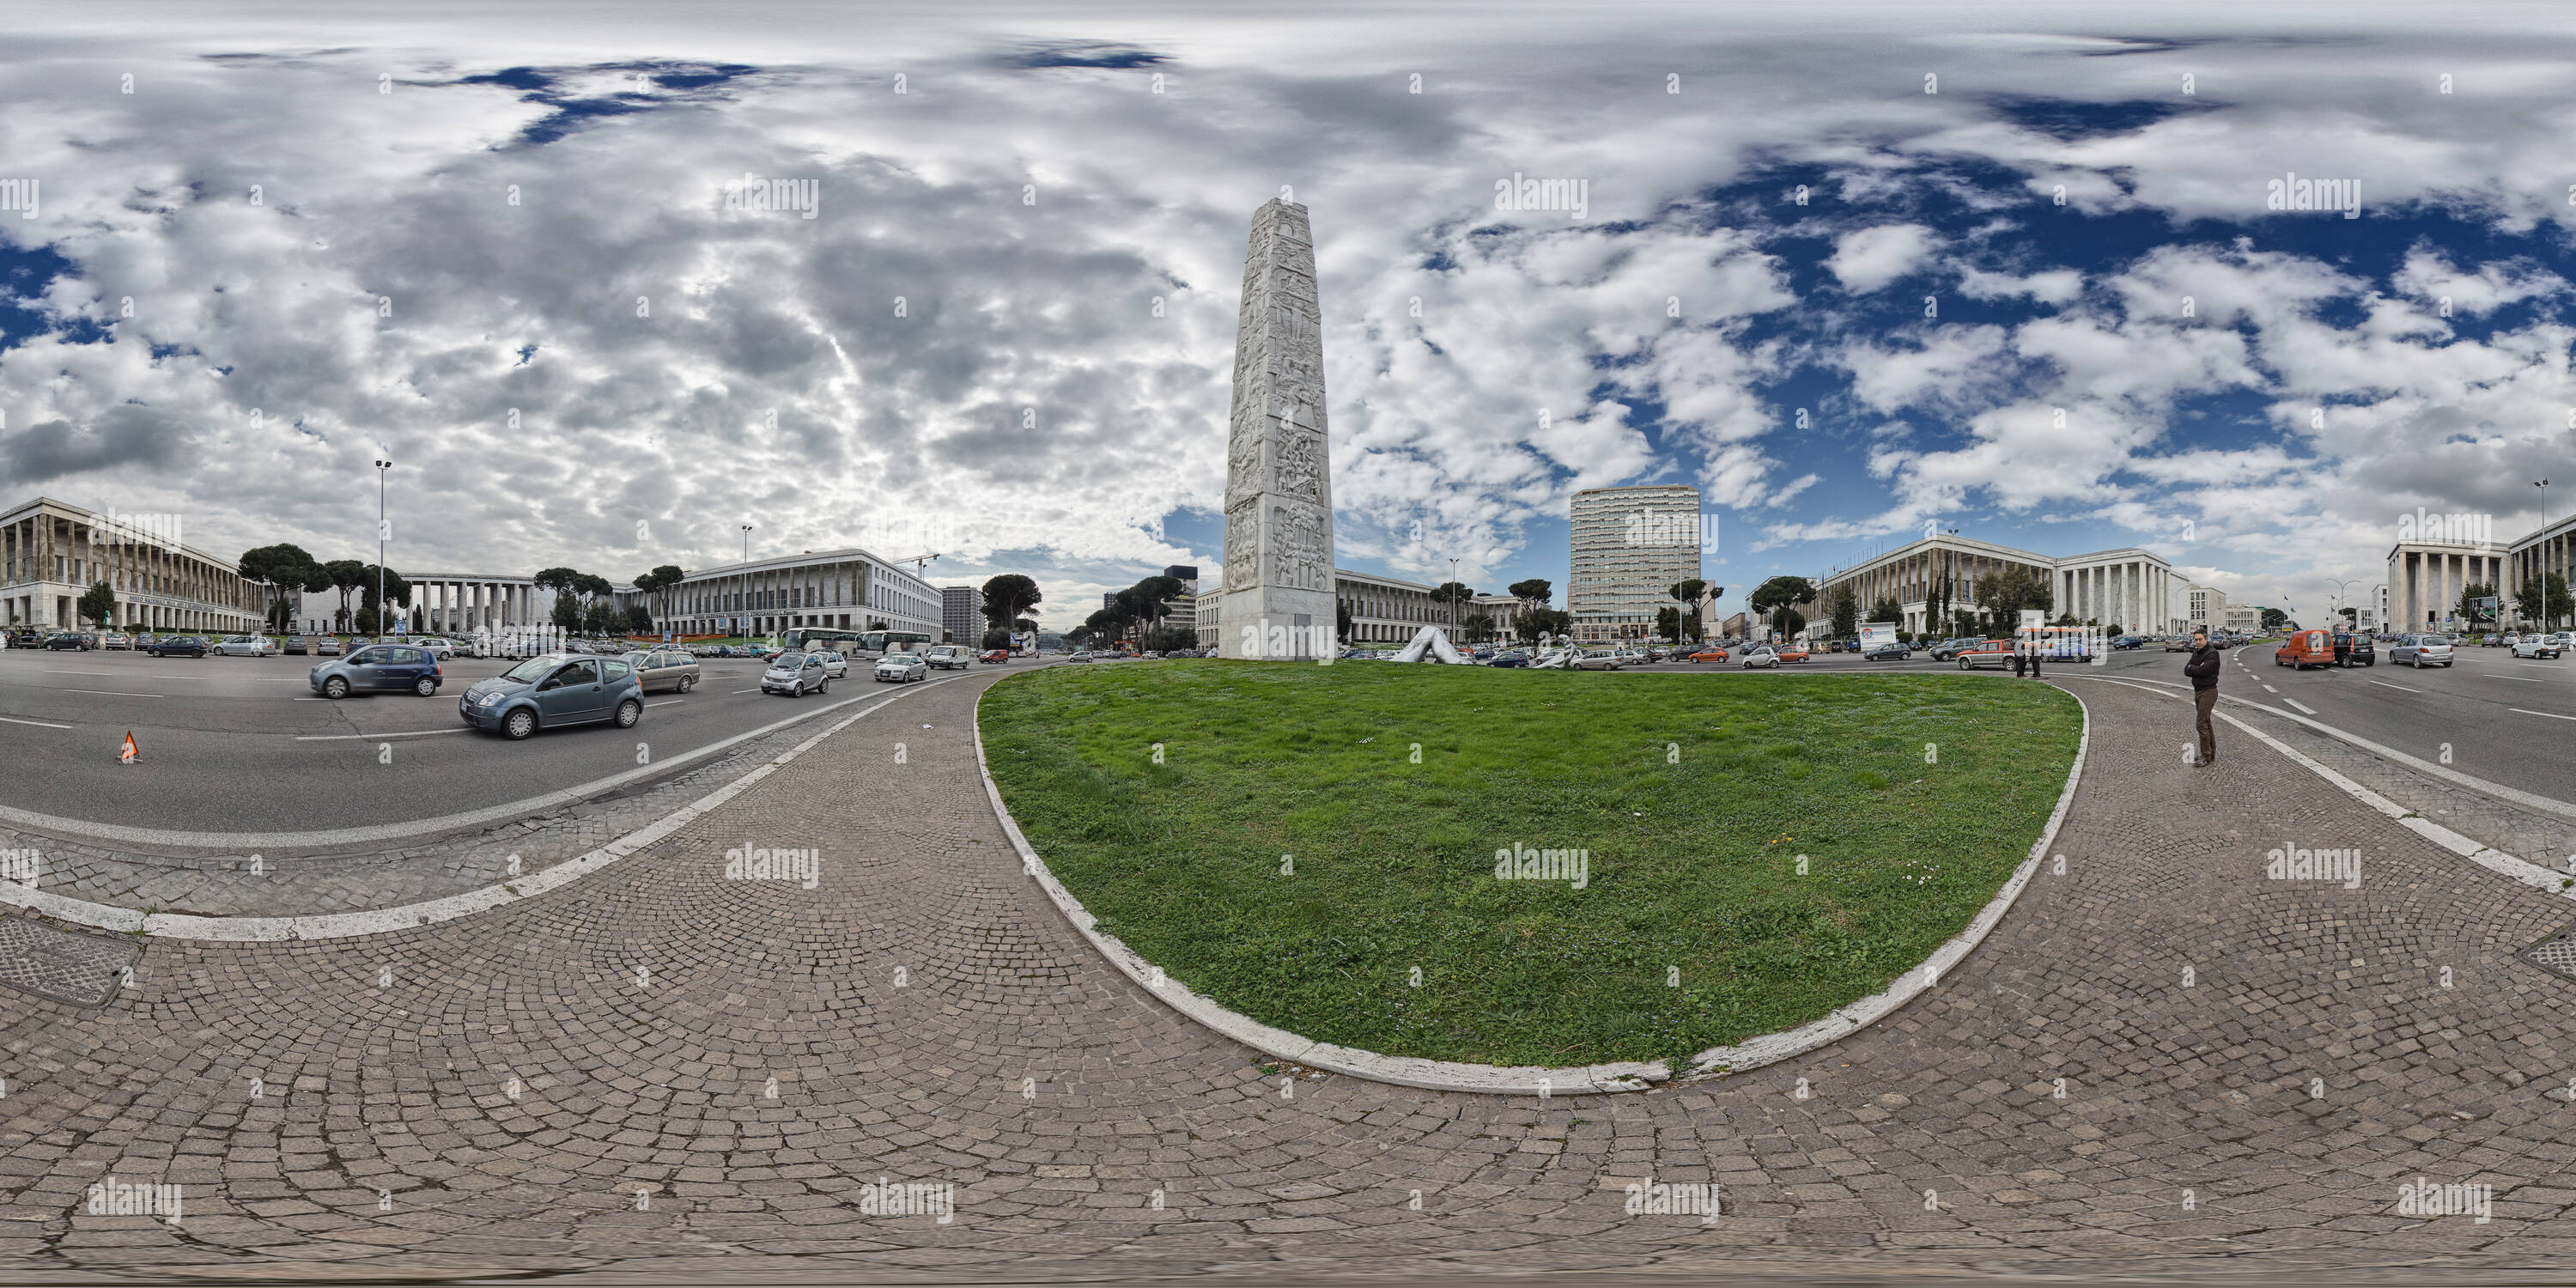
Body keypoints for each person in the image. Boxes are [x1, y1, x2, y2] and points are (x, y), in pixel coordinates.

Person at [2184, 625, 2220, 767]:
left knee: (2201, 724)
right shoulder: (2196, 652)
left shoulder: (2212, 654)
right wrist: (2196, 668)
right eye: (2196, 640)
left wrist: (2195, 668)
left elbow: (2204, 670)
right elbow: (2186, 670)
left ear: (2206, 639)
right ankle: (2210, 753)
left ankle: (2206, 755)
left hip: (2208, 691)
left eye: (2200, 639)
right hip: (2198, 691)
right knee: (2206, 723)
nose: (2198, 642)